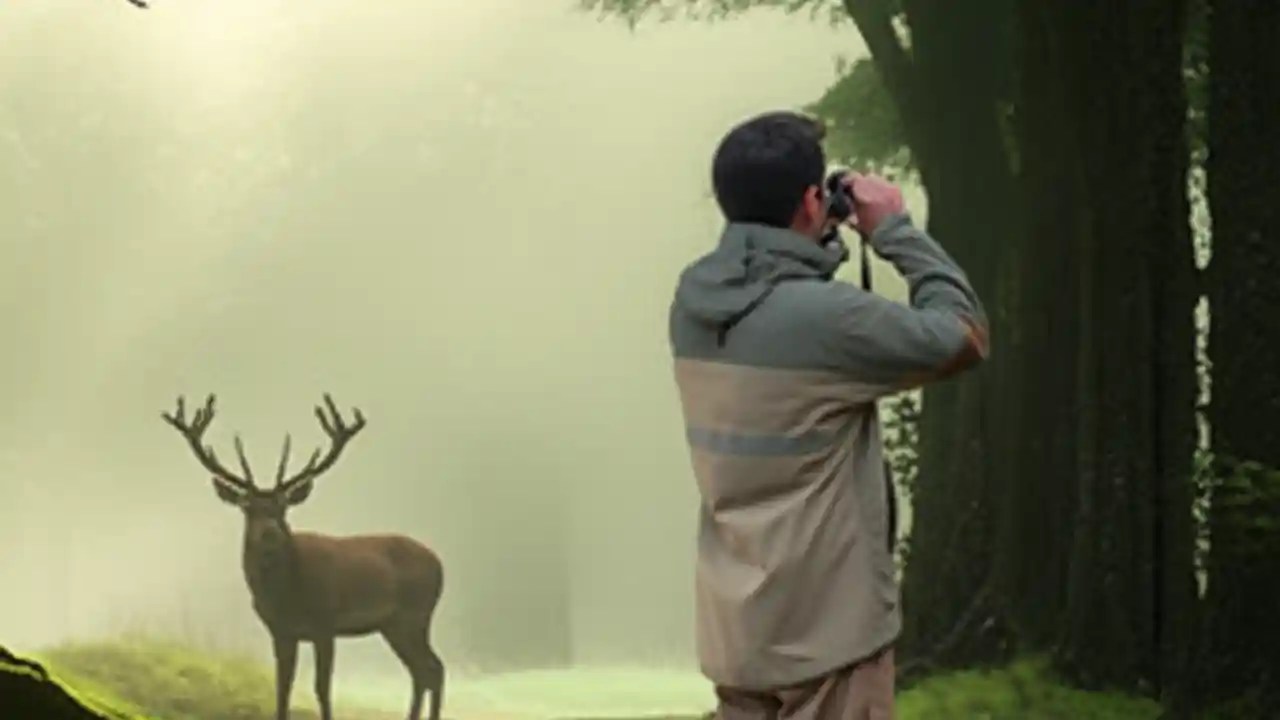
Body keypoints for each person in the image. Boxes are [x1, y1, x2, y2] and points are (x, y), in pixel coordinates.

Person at [668, 110, 989, 720]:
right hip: (827, 633)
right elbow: (963, 335)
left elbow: (780, 300)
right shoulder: (828, 320)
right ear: (813, 199)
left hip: (738, 630)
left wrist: (817, 238)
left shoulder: (694, 304)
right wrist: (893, 230)